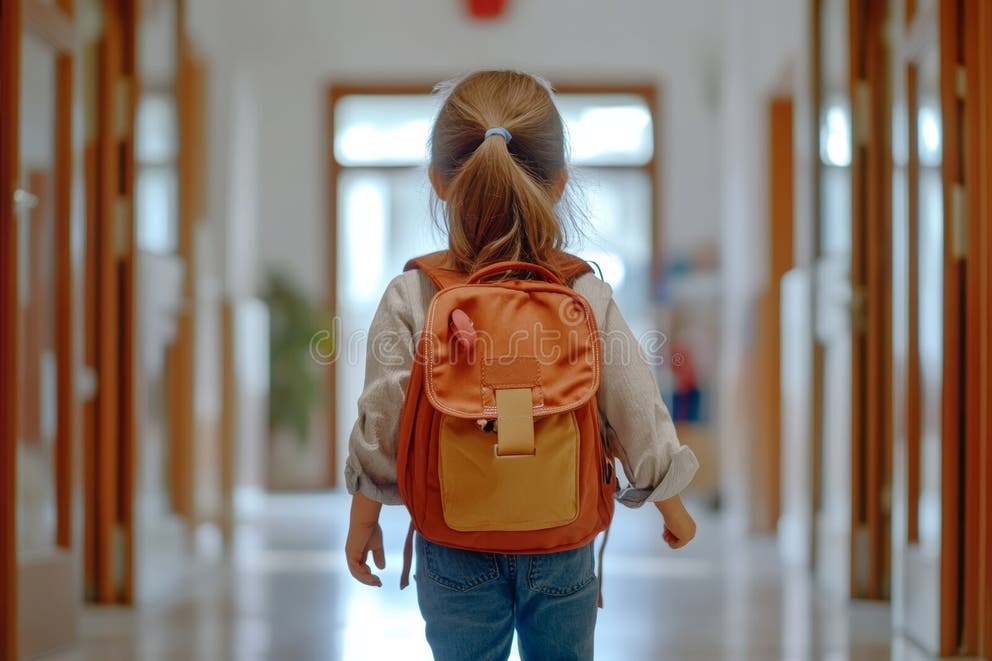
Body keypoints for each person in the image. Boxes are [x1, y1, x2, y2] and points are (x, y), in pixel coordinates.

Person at [344, 70, 699, 661]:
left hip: (453, 542)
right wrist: (672, 504)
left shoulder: (413, 293)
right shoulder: (583, 291)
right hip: (562, 542)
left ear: (438, 180)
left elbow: (383, 419)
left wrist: (363, 517)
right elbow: (637, 406)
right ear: (559, 183)